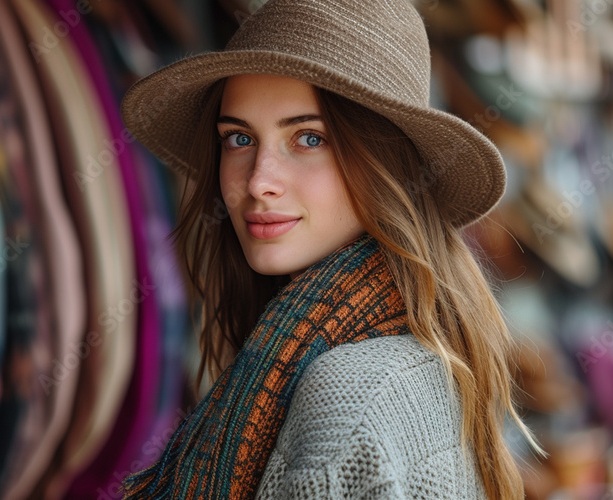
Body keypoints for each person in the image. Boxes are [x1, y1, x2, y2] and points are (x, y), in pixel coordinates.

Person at [118, 0, 543, 498]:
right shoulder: (413, 356)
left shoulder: (348, 394)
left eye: (308, 138)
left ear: (388, 163)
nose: (258, 181)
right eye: (238, 138)